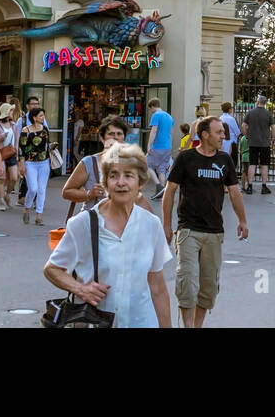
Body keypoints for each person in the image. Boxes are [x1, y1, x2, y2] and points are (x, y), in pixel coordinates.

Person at [45, 142, 172, 328]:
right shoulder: (84, 223)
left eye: (128, 176)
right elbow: (52, 269)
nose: (120, 182)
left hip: (142, 321)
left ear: (140, 183)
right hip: (96, 322)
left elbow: (158, 288)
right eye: (114, 176)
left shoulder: (151, 225)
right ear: (105, 183)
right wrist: (81, 289)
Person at [162, 116, 248, 328]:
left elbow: (235, 193)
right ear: (205, 134)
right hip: (188, 229)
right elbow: (170, 191)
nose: (224, 136)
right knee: (187, 283)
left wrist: (242, 220)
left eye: (223, 132)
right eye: (219, 132)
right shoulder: (186, 158)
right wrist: (166, 225)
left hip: (214, 232)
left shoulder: (225, 160)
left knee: (208, 288)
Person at [62, 115, 155, 218]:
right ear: (102, 138)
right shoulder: (90, 162)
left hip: (124, 224)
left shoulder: (131, 164)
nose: (115, 137)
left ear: (124, 138)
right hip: (94, 224)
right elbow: (67, 192)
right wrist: (89, 194)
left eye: (119, 134)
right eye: (111, 134)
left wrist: (154, 225)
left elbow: (139, 199)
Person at [20, 107, 52, 226]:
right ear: (34, 118)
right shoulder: (26, 130)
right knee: (33, 188)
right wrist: (21, 164)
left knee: (41, 189)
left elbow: (47, 144)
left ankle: (39, 215)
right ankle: (27, 208)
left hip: (44, 162)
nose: (43, 118)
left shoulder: (44, 130)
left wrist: (52, 146)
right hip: (30, 163)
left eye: (43, 116)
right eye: (41, 116)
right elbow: (21, 148)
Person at [243, 94, 274, 195]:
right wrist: (272, 138)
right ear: (265, 103)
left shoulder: (250, 112)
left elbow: (243, 125)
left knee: (252, 164)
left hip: (253, 142)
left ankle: (250, 186)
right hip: (265, 143)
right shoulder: (268, 113)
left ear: (257, 102)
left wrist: (246, 136)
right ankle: (264, 187)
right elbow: (274, 128)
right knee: (264, 165)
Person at [146, 98, 174, 201]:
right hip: (167, 147)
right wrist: (170, 146)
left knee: (146, 164)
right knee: (161, 169)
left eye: (150, 109)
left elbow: (154, 131)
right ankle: (162, 192)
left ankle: (158, 186)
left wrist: (149, 145)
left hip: (158, 146)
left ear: (152, 106)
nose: (150, 111)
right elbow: (171, 133)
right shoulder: (169, 117)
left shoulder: (156, 115)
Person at [0, 103, 19, 210]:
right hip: (0, 154)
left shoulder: (14, 125)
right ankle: (1, 201)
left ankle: (7, 194)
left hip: (11, 153)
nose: (12, 113)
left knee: (14, 177)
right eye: (11, 111)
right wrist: (0, 138)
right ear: (6, 113)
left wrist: (17, 152)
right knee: (1, 178)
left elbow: (17, 140)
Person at [219, 101, 241, 174]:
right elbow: (237, 131)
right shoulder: (231, 119)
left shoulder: (220, 118)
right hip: (231, 142)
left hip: (222, 142)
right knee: (232, 161)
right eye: (231, 108)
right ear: (229, 109)